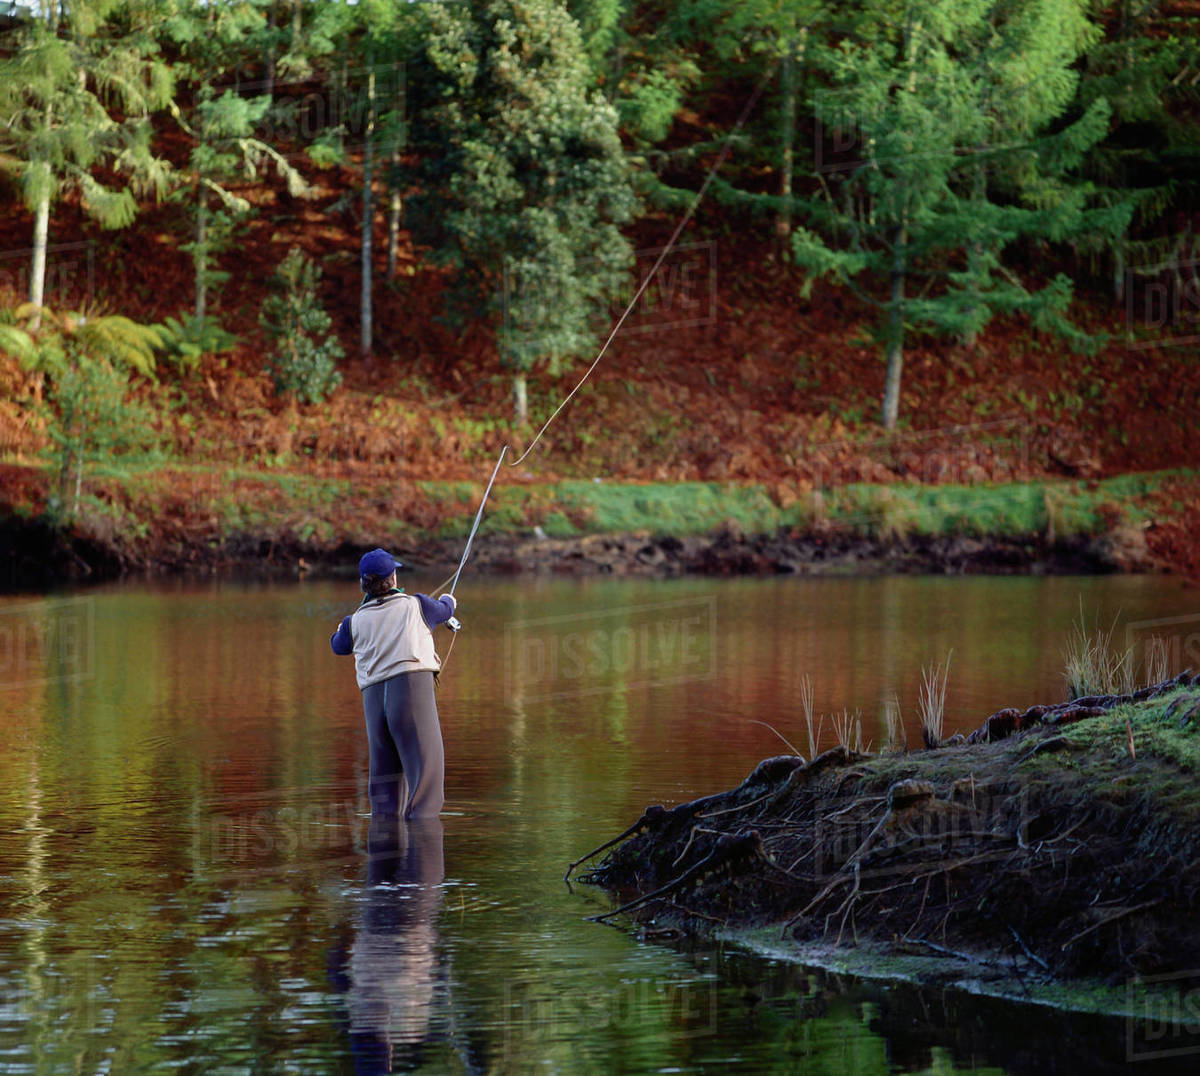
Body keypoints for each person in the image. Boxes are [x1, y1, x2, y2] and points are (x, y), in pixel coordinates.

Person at [331, 548, 457, 819]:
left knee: (385, 796)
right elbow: (446, 609)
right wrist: (449, 599)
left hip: (374, 706)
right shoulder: (419, 605)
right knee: (426, 786)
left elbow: (337, 645)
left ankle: (385, 853)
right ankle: (423, 853)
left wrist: (345, 627)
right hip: (412, 695)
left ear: (363, 584)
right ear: (393, 578)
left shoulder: (353, 621)